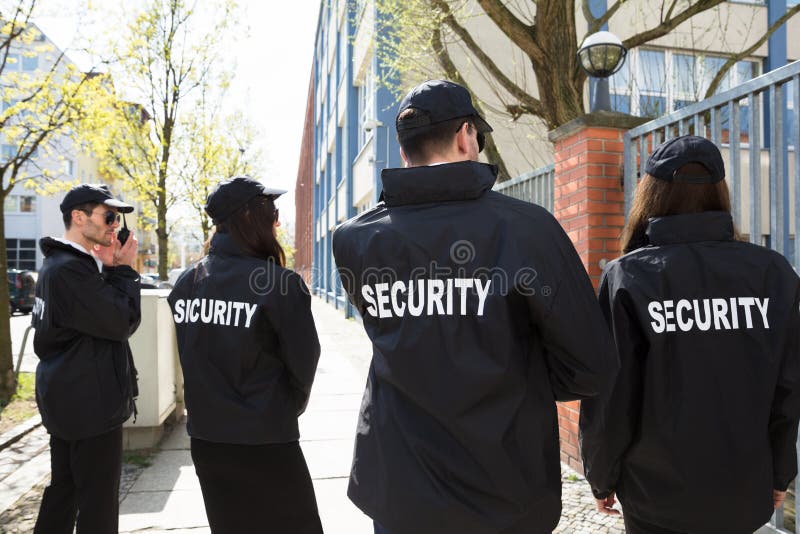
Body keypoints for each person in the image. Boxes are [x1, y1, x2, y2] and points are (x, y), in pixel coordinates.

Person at [332, 79, 618, 534]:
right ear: (467, 136)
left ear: (405, 152)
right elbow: (592, 365)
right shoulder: (528, 230)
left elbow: (399, 333)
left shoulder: (355, 239)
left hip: (400, 490)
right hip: (505, 490)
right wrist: (519, 375)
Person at [579, 135, 800, 534]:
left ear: (650, 194)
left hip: (655, 494)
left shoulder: (630, 276)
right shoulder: (772, 273)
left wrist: (601, 475)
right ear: (720, 191)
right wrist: (779, 473)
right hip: (740, 489)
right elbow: (788, 389)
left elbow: (612, 396)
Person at [167, 176, 323, 534]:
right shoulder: (279, 284)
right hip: (266, 441)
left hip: (208, 441)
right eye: (271, 212)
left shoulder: (186, 283)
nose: (278, 221)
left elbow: (190, 358)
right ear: (249, 218)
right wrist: (282, 407)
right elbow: (304, 363)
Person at [32, 183, 140, 534]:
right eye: (108, 216)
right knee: (97, 503)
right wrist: (124, 270)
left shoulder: (63, 266)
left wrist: (108, 270)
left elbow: (93, 319)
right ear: (78, 218)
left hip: (71, 398)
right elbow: (121, 320)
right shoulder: (69, 270)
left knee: (65, 491)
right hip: (88, 405)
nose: (114, 226)